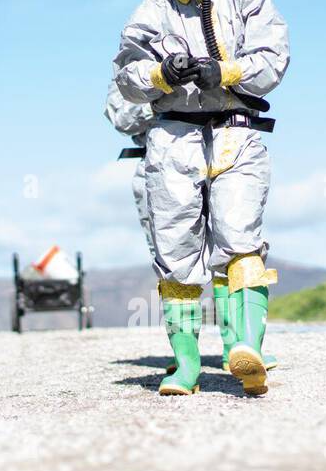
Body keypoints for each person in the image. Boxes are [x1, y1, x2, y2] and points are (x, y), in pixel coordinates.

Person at [112, 0, 289, 396]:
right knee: (175, 250)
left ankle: (246, 348)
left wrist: (226, 71)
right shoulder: (150, 10)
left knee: (239, 237)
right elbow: (125, 74)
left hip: (236, 130)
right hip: (173, 138)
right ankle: (186, 364)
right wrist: (159, 75)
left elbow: (275, 58)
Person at [103, 82, 277, 377]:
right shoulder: (140, 56)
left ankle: (236, 348)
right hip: (159, 162)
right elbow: (121, 116)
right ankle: (186, 360)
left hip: (225, 149)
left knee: (231, 244)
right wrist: (165, 90)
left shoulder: (219, 40)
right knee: (173, 258)